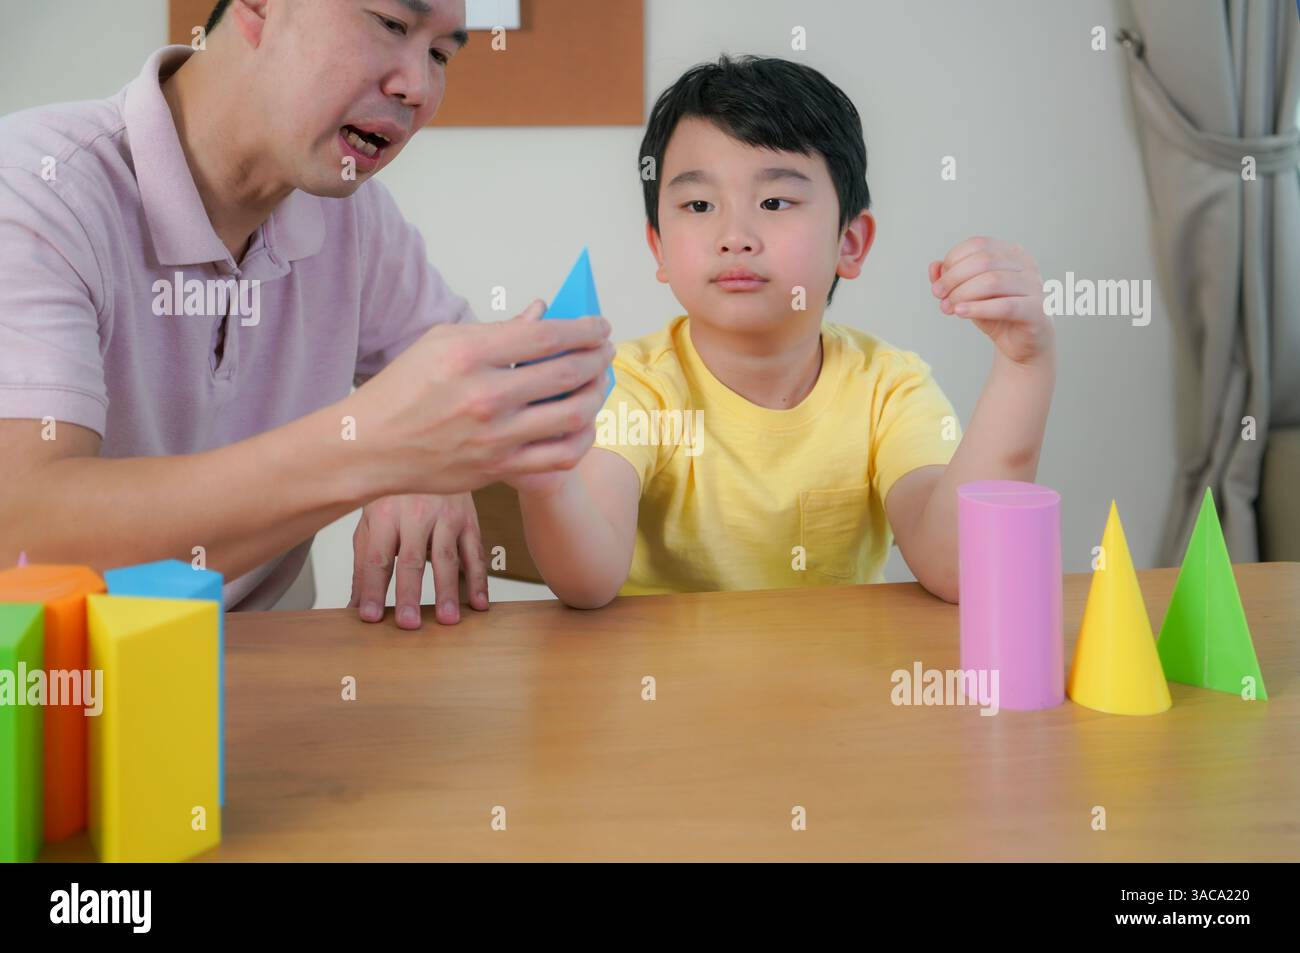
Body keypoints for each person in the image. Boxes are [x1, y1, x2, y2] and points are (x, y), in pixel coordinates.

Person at [0, 0, 614, 627]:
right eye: (392, 25)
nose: (418, 87)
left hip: (267, 669)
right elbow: (19, 533)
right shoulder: (34, 190)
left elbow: (457, 390)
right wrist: (376, 452)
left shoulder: (354, 218)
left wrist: (433, 465)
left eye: (439, 54)